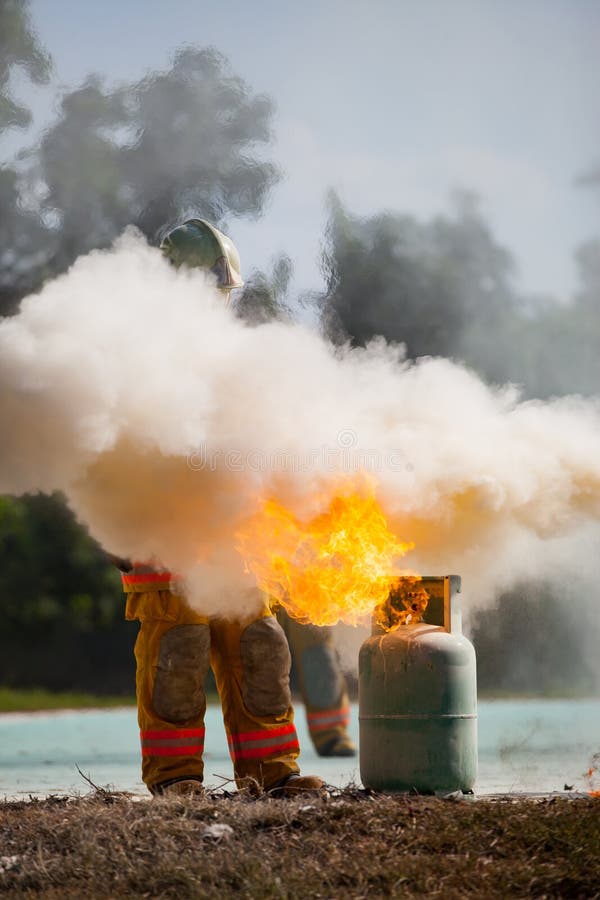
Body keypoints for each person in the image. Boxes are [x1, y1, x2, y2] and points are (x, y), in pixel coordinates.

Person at [116, 219, 324, 798]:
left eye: (222, 290)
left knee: (260, 650)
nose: (218, 301)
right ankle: (176, 780)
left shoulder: (233, 353)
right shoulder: (130, 355)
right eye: (210, 287)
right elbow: (104, 445)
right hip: (164, 537)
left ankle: (272, 772)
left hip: (236, 535)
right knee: (175, 661)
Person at [279, 611, 356, 757]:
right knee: (260, 648)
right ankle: (263, 742)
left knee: (317, 653)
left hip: (302, 591)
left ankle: (331, 733)